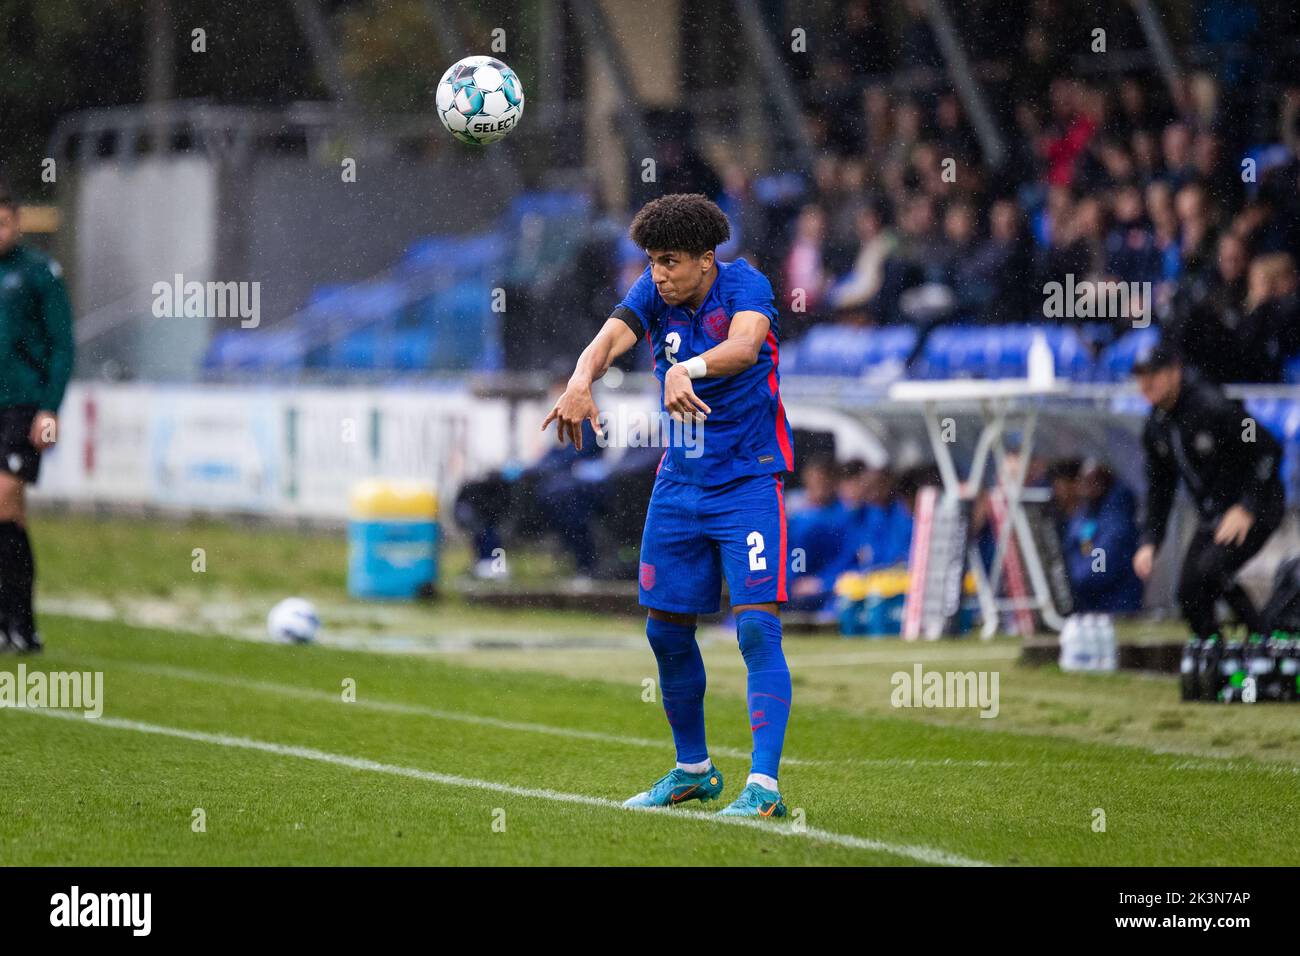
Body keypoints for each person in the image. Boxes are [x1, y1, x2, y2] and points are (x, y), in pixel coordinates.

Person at [543, 193, 794, 818]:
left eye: (671, 262)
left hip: (747, 481)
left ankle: (763, 787)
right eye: (652, 261)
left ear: (707, 260)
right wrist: (579, 381)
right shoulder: (654, 295)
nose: (658, 274)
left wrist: (691, 369)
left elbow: (745, 345)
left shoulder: (745, 285)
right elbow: (606, 341)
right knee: (665, 632)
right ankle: (693, 771)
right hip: (679, 486)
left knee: (757, 628)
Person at [1131, 343, 1285, 638]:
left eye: (1153, 374)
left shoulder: (1212, 407)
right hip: (1215, 515)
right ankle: (1214, 658)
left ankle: (1264, 645)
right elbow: (1159, 489)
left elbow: (1267, 450)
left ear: (1175, 372)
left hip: (1259, 504)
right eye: (1140, 376)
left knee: (1213, 571)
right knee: (1189, 591)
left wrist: (1247, 507)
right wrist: (1150, 540)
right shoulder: (1156, 426)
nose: (1145, 383)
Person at [0, 192, 73, 654]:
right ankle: (15, 625)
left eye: (3, 223)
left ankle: (19, 624)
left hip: (23, 405)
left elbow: (62, 344)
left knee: (4, 500)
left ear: (18, 222)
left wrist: (50, 408)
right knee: (9, 516)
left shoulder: (38, 272)